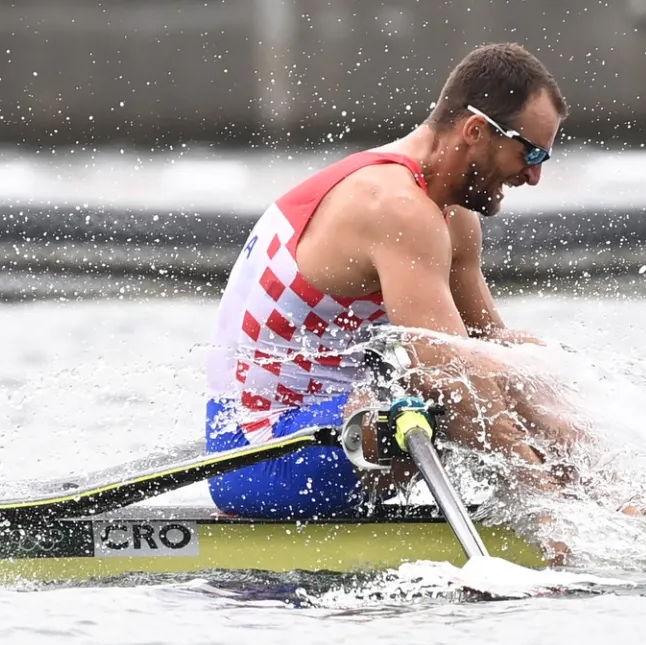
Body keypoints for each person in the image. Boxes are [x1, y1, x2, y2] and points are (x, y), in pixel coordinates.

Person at [204, 42, 578, 523]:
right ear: (476, 131)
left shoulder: (453, 215)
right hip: (256, 455)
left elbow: (490, 352)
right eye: (529, 152)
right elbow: (453, 382)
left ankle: (620, 499)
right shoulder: (394, 206)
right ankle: (562, 516)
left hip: (334, 427)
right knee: (434, 389)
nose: (533, 175)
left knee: (523, 356)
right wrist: (547, 504)